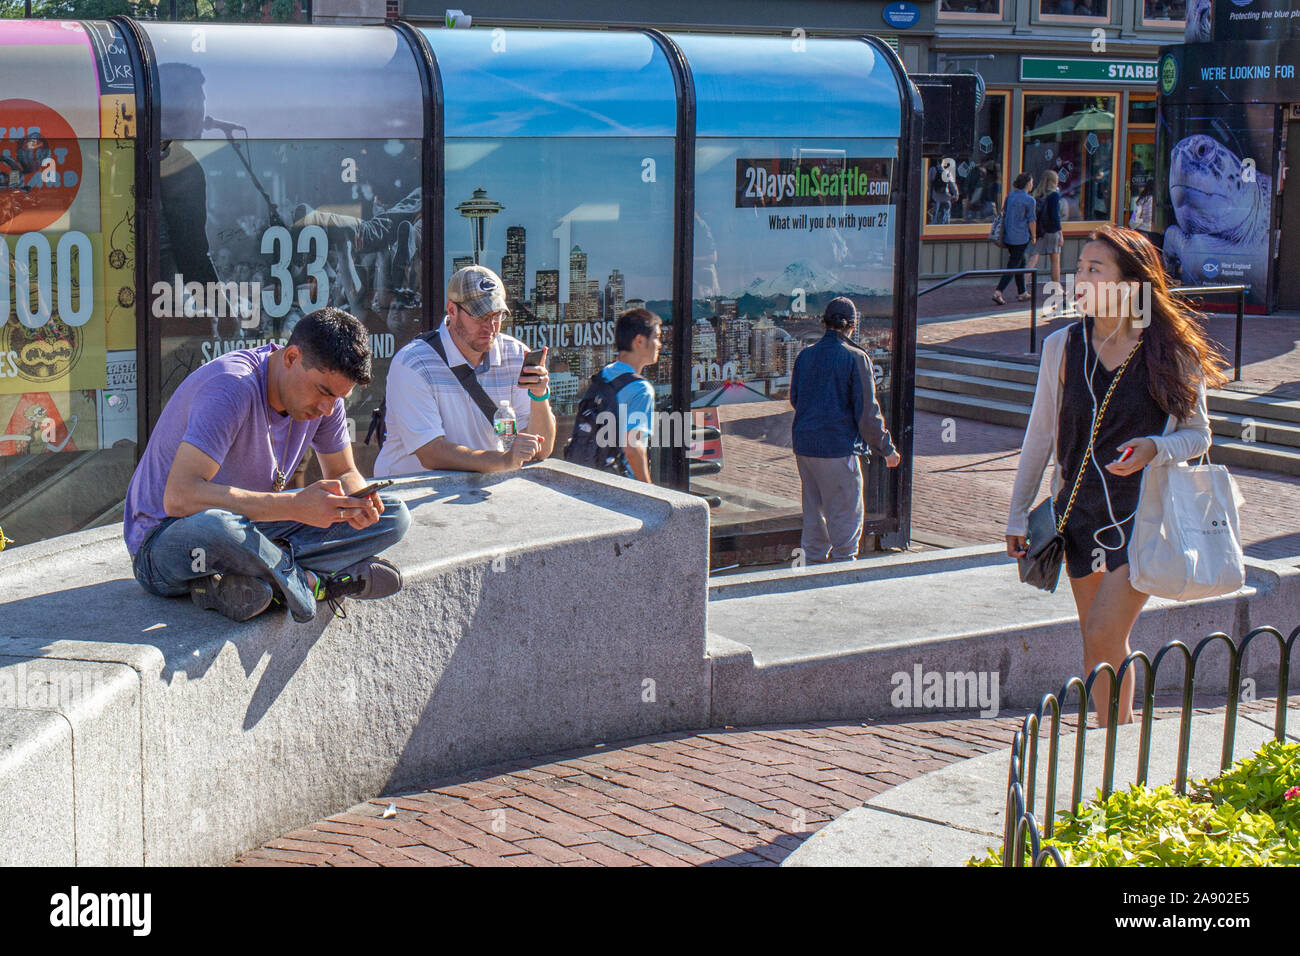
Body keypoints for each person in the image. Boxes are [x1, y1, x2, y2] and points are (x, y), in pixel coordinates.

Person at [1005, 226, 1228, 727]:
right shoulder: (1062, 346)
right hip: (1077, 516)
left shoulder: (1171, 351)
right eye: (1079, 267)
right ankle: (1110, 752)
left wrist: (1156, 448)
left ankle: (1114, 757)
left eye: (1094, 269)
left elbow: (1199, 435)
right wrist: (1018, 515)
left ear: (1132, 283)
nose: (1078, 277)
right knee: (1098, 642)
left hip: (1143, 518)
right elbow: (1039, 436)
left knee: (1106, 634)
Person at [124, 307, 411, 623]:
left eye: (340, 398)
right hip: (166, 544)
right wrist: (294, 506)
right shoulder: (231, 386)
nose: (328, 409)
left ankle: (250, 584)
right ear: (291, 358)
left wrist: (358, 500)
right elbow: (179, 497)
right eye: (324, 392)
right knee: (218, 527)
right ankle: (316, 584)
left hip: (253, 532)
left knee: (394, 517)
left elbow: (343, 472)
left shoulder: (327, 404)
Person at [374, 264, 555, 476]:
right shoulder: (413, 362)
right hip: (413, 488)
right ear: (452, 311)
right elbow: (431, 452)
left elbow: (539, 448)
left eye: (497, 315)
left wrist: (539, 396)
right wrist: (504, 460)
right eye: (480, 316)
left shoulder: (515, 354)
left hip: (480, 485)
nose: (491, 326)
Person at [790, 297, 901, 563]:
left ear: (824, 323)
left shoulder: (806, 355)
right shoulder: (856, 357)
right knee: (845, 514)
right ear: (852, 326)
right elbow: (867, 413)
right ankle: (841, 572)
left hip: (805, 446)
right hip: (838, 447)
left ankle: (812, 569)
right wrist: (887, 449)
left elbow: (795, 398)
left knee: (814, 515)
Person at [597, 308, 662, 483]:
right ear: (639, 341)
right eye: (656, 337)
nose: (659, 344)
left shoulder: (604, 375)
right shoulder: (641, 389)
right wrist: (648, 491)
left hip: (595, 479)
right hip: (623, 485)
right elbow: (632, 447)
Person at [994, 172, 1037, 305]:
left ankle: (1022, 291)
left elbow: (1003, 212)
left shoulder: (1010, 196)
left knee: (1021, 262)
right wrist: (1034, 235)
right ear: (1028, 183)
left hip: (1008, 236)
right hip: (1021, 237)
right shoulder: (1030, 200)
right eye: (1031, 182)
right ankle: (998, 291)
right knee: (1013, 265)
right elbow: (1031, 220)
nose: (1032, 185)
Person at [1026, 170, 1064, 304]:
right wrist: (1060, 234)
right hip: (1052, 231)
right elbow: (1055, 216)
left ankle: (1022, 287)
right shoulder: (1054, 195)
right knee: (1055, 260)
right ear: (1054, 181)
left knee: (1033, 258)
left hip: (1040, 231)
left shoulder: (1037, 195)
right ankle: (1057, 289)